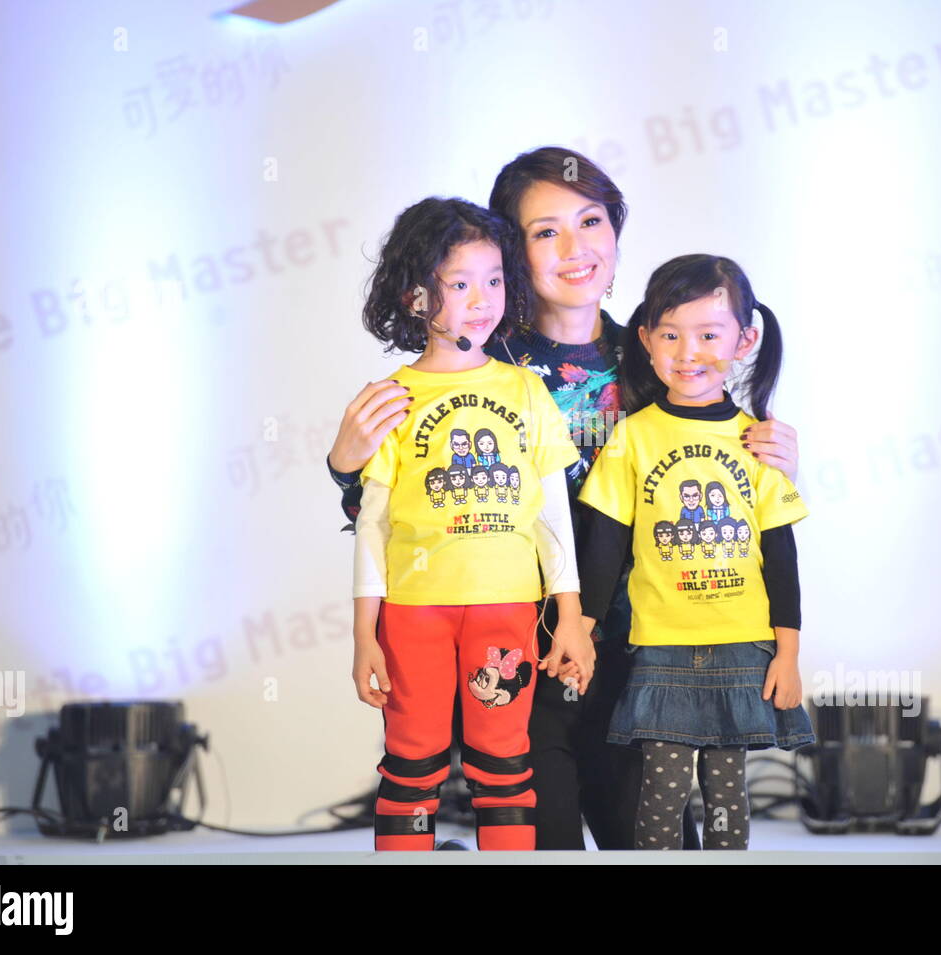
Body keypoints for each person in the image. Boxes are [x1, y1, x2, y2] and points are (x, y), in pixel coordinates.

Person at [328, 146, 802, 849]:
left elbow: (724, 477)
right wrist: (345, 464)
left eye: (592, 221)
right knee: (537, 836)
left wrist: (775, 452)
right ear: (510, 252)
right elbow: (411, 507)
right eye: (546, 231)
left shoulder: (658, 352)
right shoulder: (478, 361)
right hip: (516, 652)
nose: (575, 248)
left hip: (639, 658)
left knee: (652, 842)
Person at [349, 196, 592, 851]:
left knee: (504, 762)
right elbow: (372, 525)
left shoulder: (525, 391)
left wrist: (568, 613)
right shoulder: (392, 400)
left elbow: (552, 515)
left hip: (505, 611)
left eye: (493, 279)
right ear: (415, 298)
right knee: (411, 760)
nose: (482, 299)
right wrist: (364, 633)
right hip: (412, 612)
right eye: (459, 284)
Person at [572, 253, 814, 850]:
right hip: (661, 647)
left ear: (743, 339)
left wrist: (788, 655)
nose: (689, 351)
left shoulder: (758, 441)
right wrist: (579, 627)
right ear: (647, 340)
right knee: (663, 790)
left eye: (709, 334)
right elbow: (606, 544)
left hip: (741, 647)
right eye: (671, 334)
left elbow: (781, 556)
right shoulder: (631, 436)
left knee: (728, 793)